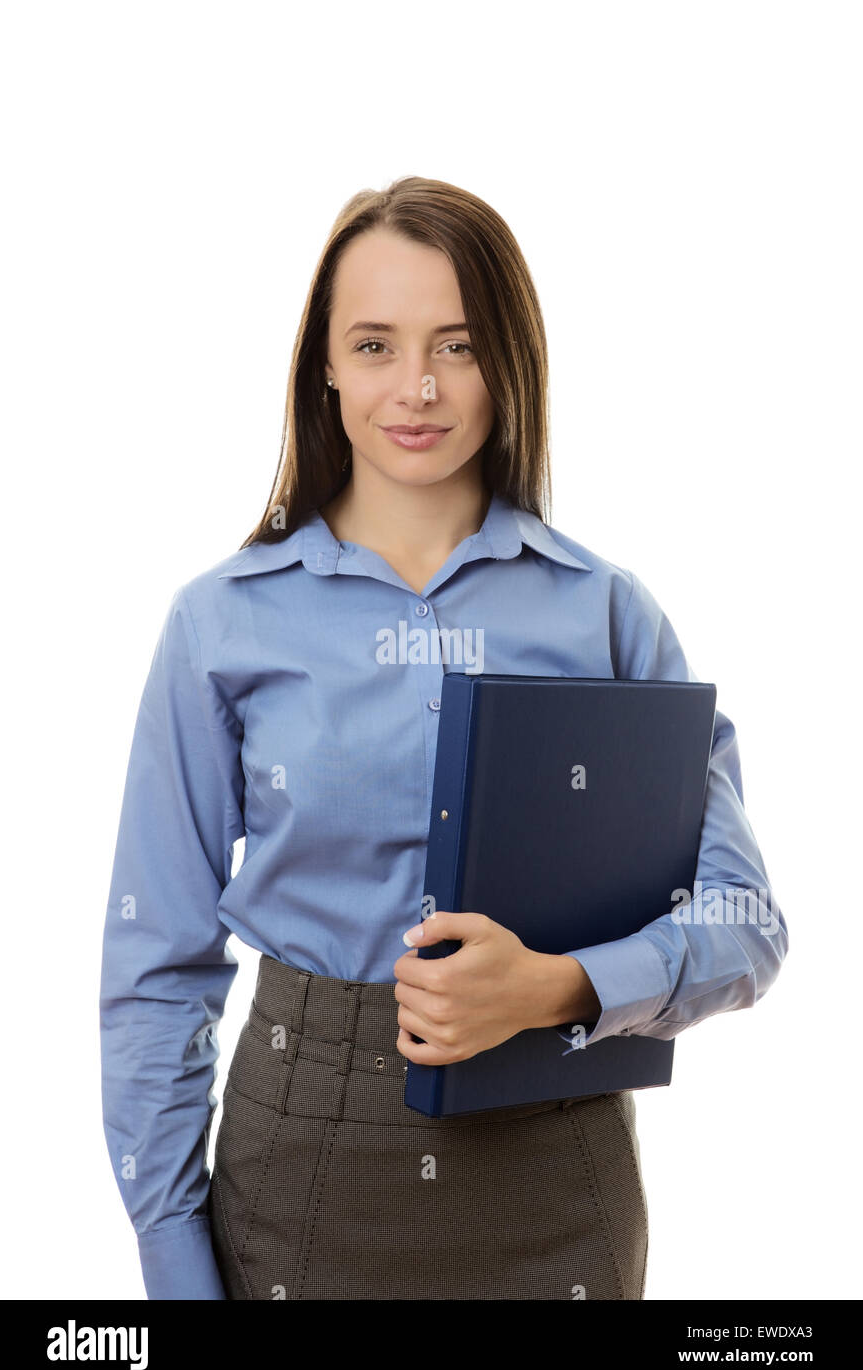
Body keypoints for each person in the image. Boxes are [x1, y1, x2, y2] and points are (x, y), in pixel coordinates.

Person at [99, 175, 788, 1301]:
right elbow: (153, 968)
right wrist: (174, 1263)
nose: (414, 387)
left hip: (556, 1182)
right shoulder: (216, 622)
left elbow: (744, 920)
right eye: (373, 343)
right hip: (298, 1174)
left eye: (456, 346)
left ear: (506, 363)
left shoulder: (606, 615)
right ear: (321, 365)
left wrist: (559, 986)